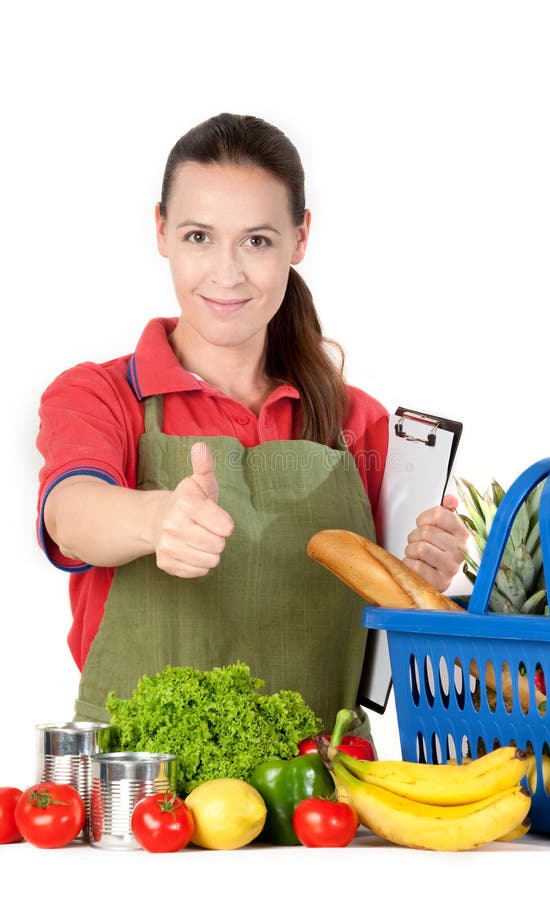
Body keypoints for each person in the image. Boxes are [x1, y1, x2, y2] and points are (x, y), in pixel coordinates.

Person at [36, 113, 468, 736]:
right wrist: (157, 520)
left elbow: (398, 636)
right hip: (139, 794)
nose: (226, 273)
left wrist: (423, 573)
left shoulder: (358, 424)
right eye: (198, 236)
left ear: (300, 239)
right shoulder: (101, 394)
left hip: (319, 797)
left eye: (258, 241)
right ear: (161, 230)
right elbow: (70, 516)